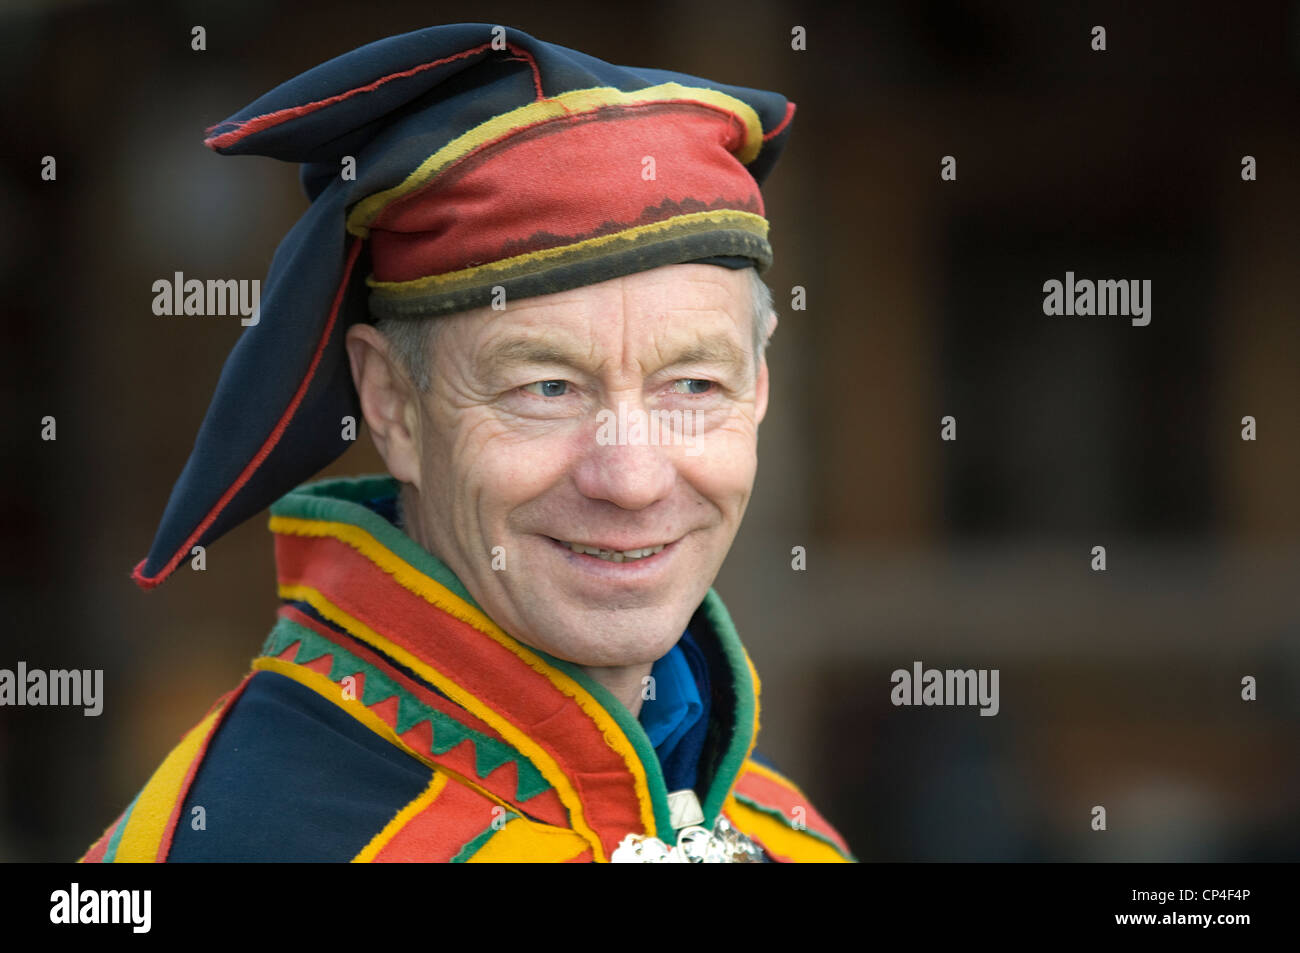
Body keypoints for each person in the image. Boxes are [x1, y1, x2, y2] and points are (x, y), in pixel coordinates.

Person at [81, 22, 853, 863]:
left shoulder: (785, 831)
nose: (631, 478)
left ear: (759, 394)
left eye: (694, 386)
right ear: (394, 406)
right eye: (546, 388)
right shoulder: (239, 837)